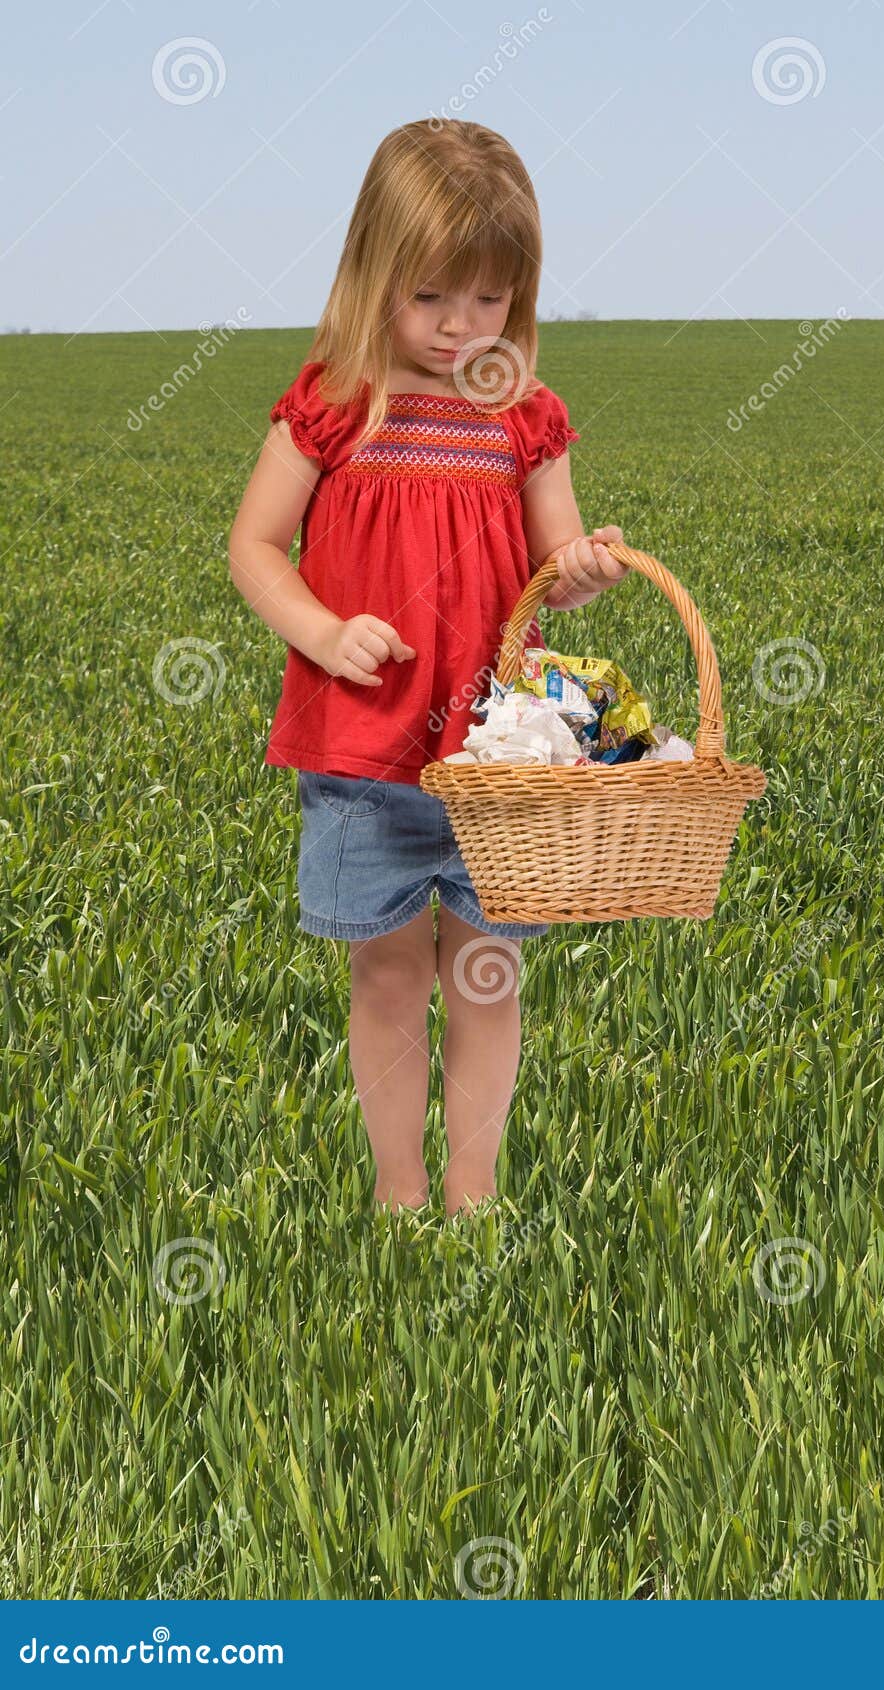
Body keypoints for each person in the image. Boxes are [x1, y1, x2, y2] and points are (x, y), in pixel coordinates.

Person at [227, 118, 629, 1220]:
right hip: (362, 750)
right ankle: (396, 1189)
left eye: (490, 301)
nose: (460, 328)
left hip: (497, 755)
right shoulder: (334, 405)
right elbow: (255, 545)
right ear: (374, 277)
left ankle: (473, 1189)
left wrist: (579, 573)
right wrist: (321, 631)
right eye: (432, 297)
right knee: (390, 971)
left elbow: (555, 561)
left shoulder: (522, 420)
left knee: (486, 977)